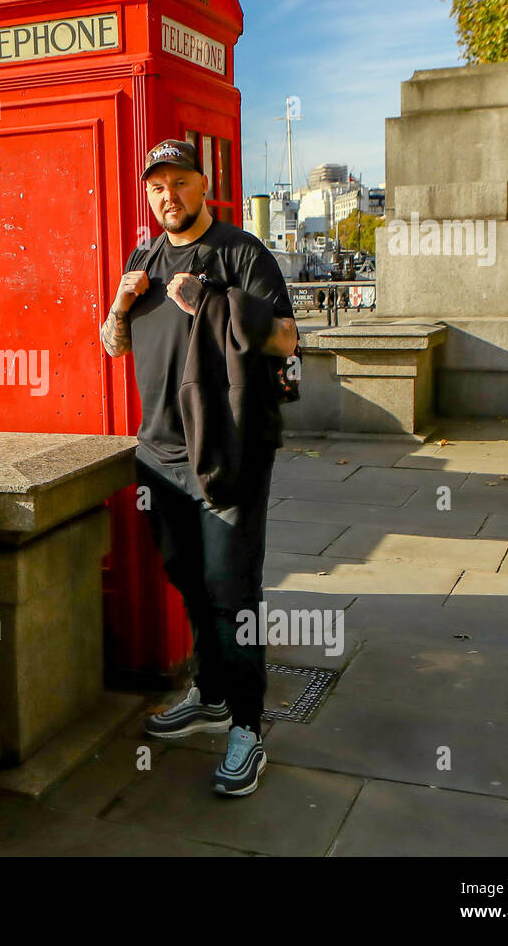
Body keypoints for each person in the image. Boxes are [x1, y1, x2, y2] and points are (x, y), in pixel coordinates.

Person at [100, 139, 297, 797]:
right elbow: (111, 343)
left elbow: (288, 339)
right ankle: (211, 694)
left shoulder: (242, 253)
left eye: (179, 183)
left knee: (231, 588)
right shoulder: (143, 258)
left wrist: (209, 300)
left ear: (203, 184)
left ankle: (246, 724)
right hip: (158, 455)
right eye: (157, 187)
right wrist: (121, 307)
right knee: (186, 576)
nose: (168, 197)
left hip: (229, 452)